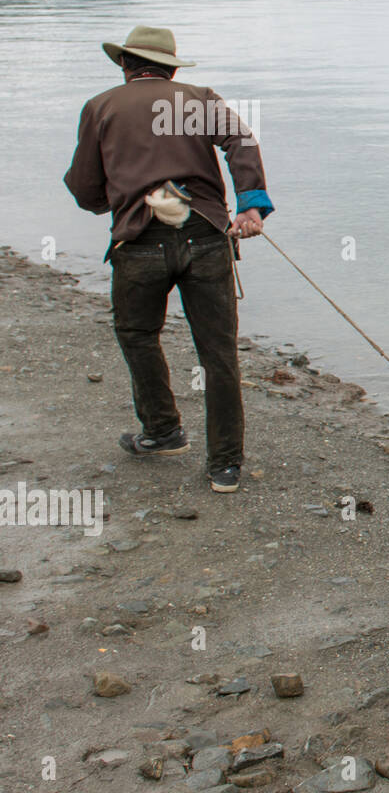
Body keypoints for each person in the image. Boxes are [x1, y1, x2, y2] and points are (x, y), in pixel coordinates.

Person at [64, 26, 273, 493]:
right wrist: (251, 206)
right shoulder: (198, 98)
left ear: (125, 66)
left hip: (139, 240)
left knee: (138, 334)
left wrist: (110, 201)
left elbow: (83, 188)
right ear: (173, 68)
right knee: (218, 352)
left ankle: (162, 431)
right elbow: (242, 142)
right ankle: (225, 466)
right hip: (206, 236)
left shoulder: (100, 107)